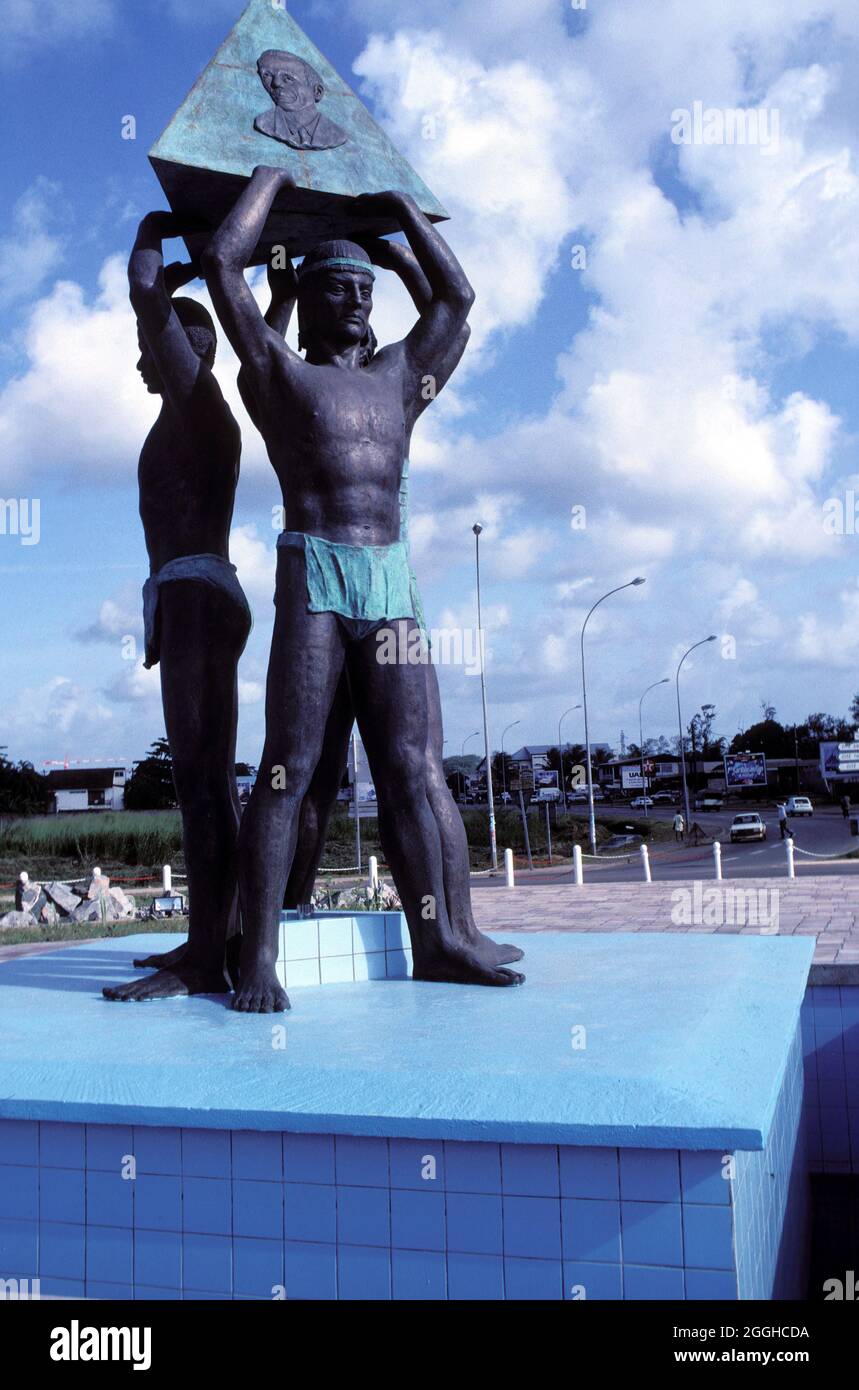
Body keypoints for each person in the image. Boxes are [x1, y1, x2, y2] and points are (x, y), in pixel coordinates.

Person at [202, 168, 524, 1012]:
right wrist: (272, 175)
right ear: (305, 299)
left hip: (390, 581)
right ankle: (260, 955)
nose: (352, 299)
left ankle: (446, 937)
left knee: (415, 768)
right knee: (289, 768)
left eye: (362, 288)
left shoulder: (399, 381)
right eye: (334, 287)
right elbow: (224, 266)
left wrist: (395, 218)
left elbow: (455, 298)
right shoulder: (274, 373)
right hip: (315, 573)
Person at [103, 212, 251, 1004]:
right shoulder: (188, 413)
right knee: (201, 780)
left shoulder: (200, 406)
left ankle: (206, 955)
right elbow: (156, 306)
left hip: (197, 599)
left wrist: (158, 225)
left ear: (196, 350)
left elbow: (142, 289)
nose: (137, 361)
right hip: (189, 602)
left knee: (200, 782)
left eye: (151, 345)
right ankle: (212, 939)